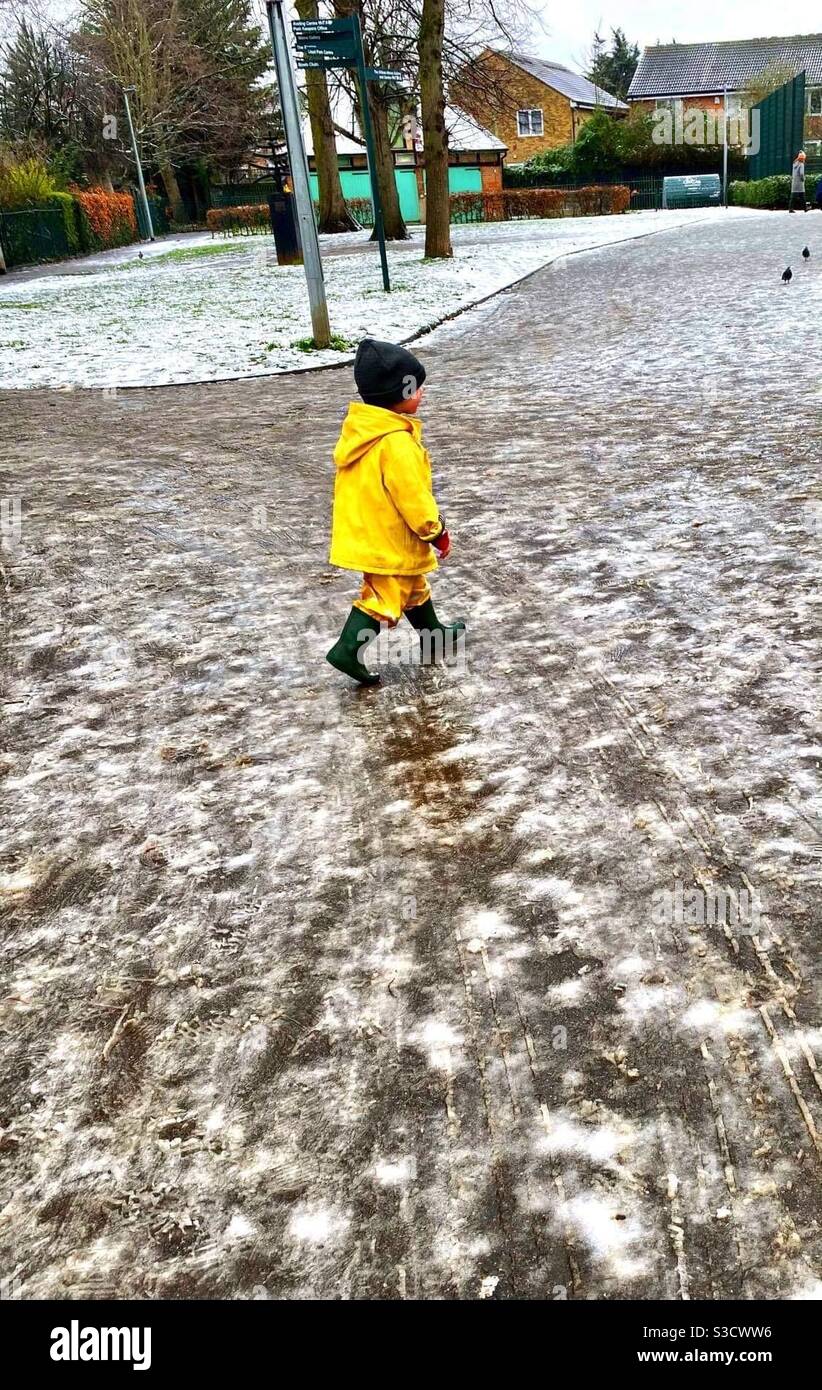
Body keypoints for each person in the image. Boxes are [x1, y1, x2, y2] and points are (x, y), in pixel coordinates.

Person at [326, 338, 465, 685]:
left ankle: (434, 634)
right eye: (416, 388)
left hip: (370, 532)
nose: (421, 394)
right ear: (400, 392)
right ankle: (347, 650)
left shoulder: (364, 432)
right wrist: (436, 531)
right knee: (383, 598)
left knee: (412, 585)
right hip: (391, 538)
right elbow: (413, 497)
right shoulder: (396, 443)